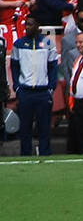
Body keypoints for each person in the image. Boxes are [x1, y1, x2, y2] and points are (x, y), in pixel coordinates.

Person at [10, 14, 59, 156]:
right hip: (25, 92)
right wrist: (17, 87)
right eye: (26, 24)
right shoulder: (18, 44)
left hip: (43, 92)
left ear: (37, 26)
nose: (27, 27)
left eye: (30, 24)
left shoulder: (48, 43)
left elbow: (53, 66)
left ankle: (45, 154)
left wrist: (51, 87)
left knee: (44, 127)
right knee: (25, 128)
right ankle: (25, 155)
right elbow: (14, 66)